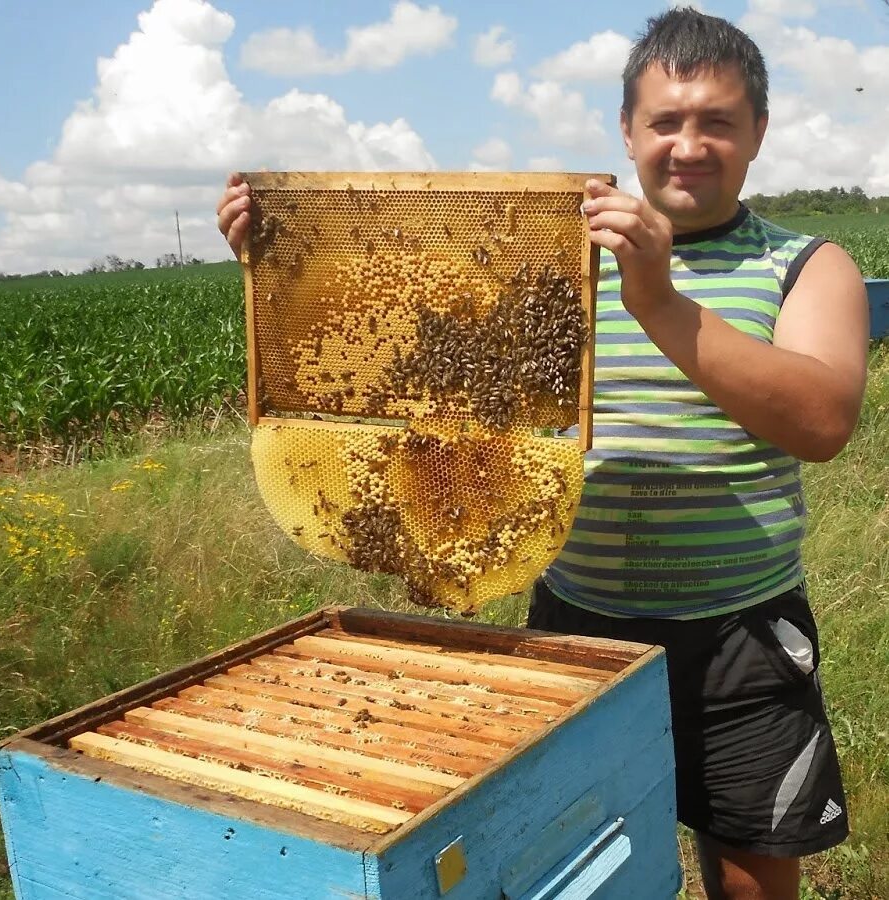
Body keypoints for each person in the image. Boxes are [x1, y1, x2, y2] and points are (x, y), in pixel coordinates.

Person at [216, 9, 868, 897]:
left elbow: (823, 420)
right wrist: (291, 260)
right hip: (577, 624)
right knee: (578, 864)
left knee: (753, 881)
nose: (690, 144)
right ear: (629, 134)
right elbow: (422, 381)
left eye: (717, 120)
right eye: (666, 122)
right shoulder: (557, 265)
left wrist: (660, 302)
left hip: (741, 636)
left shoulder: (804, 263)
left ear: (757, 129)